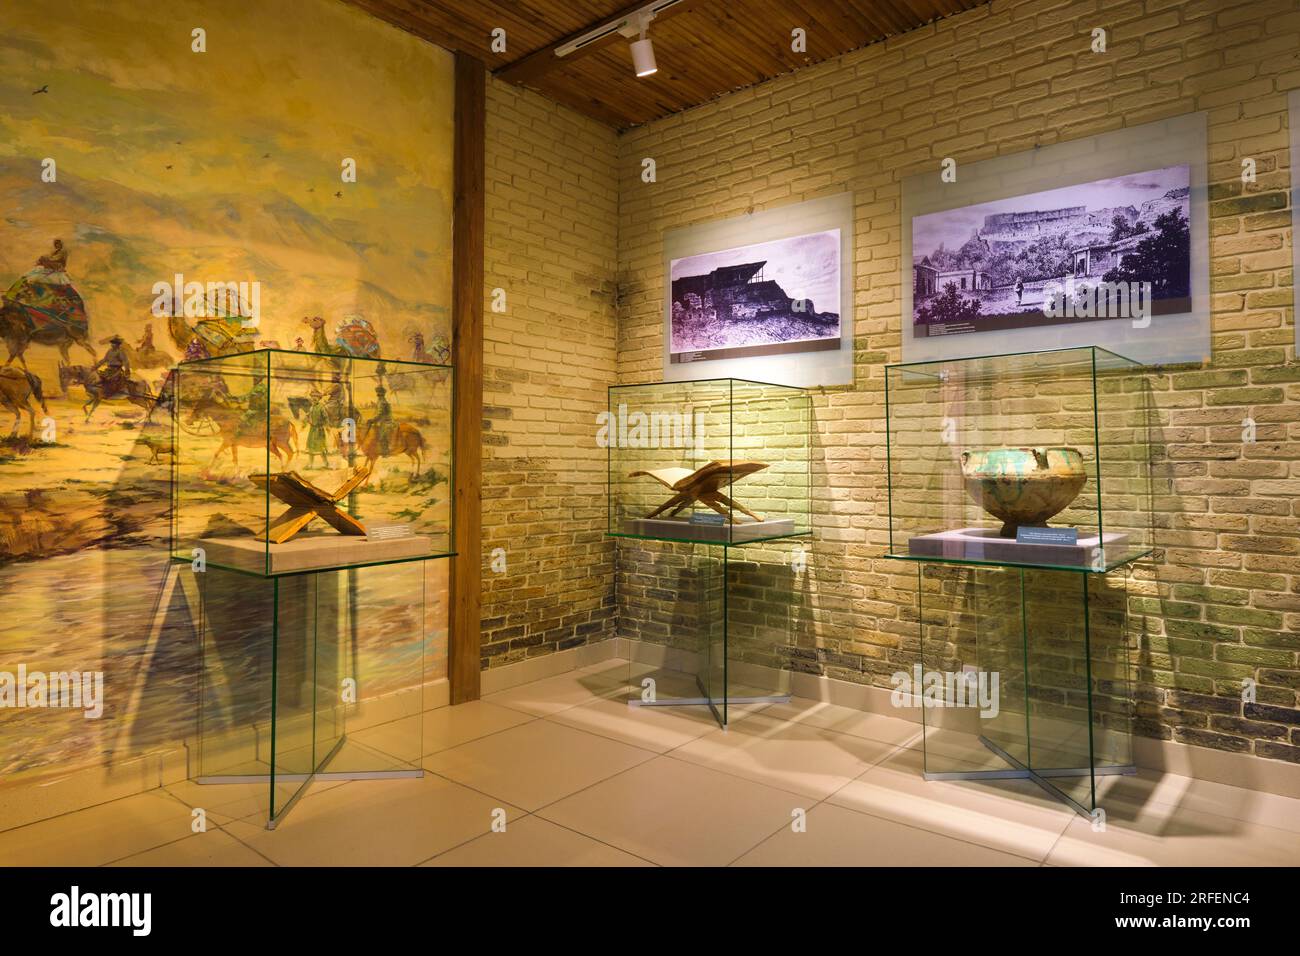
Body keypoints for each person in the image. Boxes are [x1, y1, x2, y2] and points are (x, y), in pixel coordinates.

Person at [305, 388, 331, 468]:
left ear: (319, 398)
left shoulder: (321, 407)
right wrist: (307, 419)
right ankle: (310, 464)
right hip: (312, 430)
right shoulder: (311, 407)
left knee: (321, 448)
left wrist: (327, 426)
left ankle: (326, 463)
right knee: (311, 448)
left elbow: (326, 417)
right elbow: (308, 415)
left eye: (316, 397)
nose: (314, 398)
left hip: (319, 430)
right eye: (312, 396)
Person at [368, 385, 394, 456]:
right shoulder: (380, 401)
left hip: (386, 421)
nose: (378, 395)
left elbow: (380, 415)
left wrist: (372, 420)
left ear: (381, 394)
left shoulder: (382, 402)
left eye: (379, 394)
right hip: (382, 421)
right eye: (378, 393)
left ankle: (385, 452)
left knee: (383, 435)